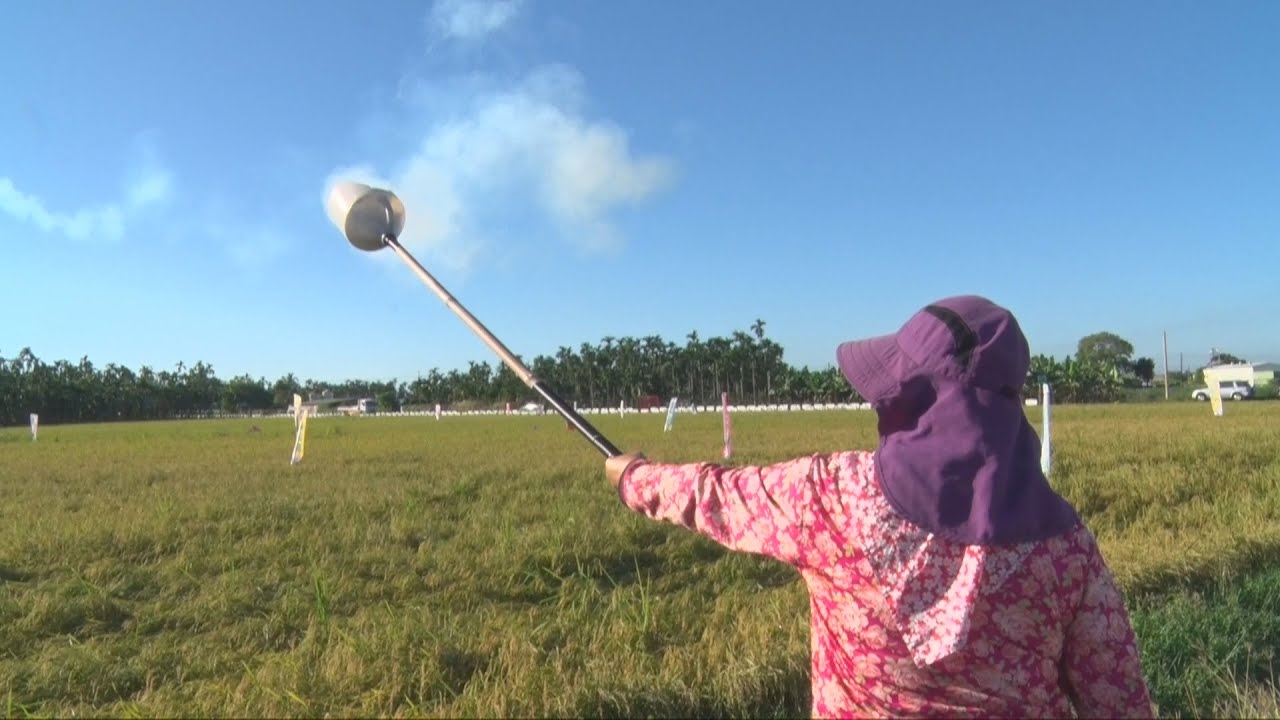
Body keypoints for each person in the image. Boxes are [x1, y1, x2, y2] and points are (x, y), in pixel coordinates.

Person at [604, 295, 1154, 719]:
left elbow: (713, 495)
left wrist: (633, 477)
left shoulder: (831, 496)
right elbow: (1120, 700)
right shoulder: (1065, 546)